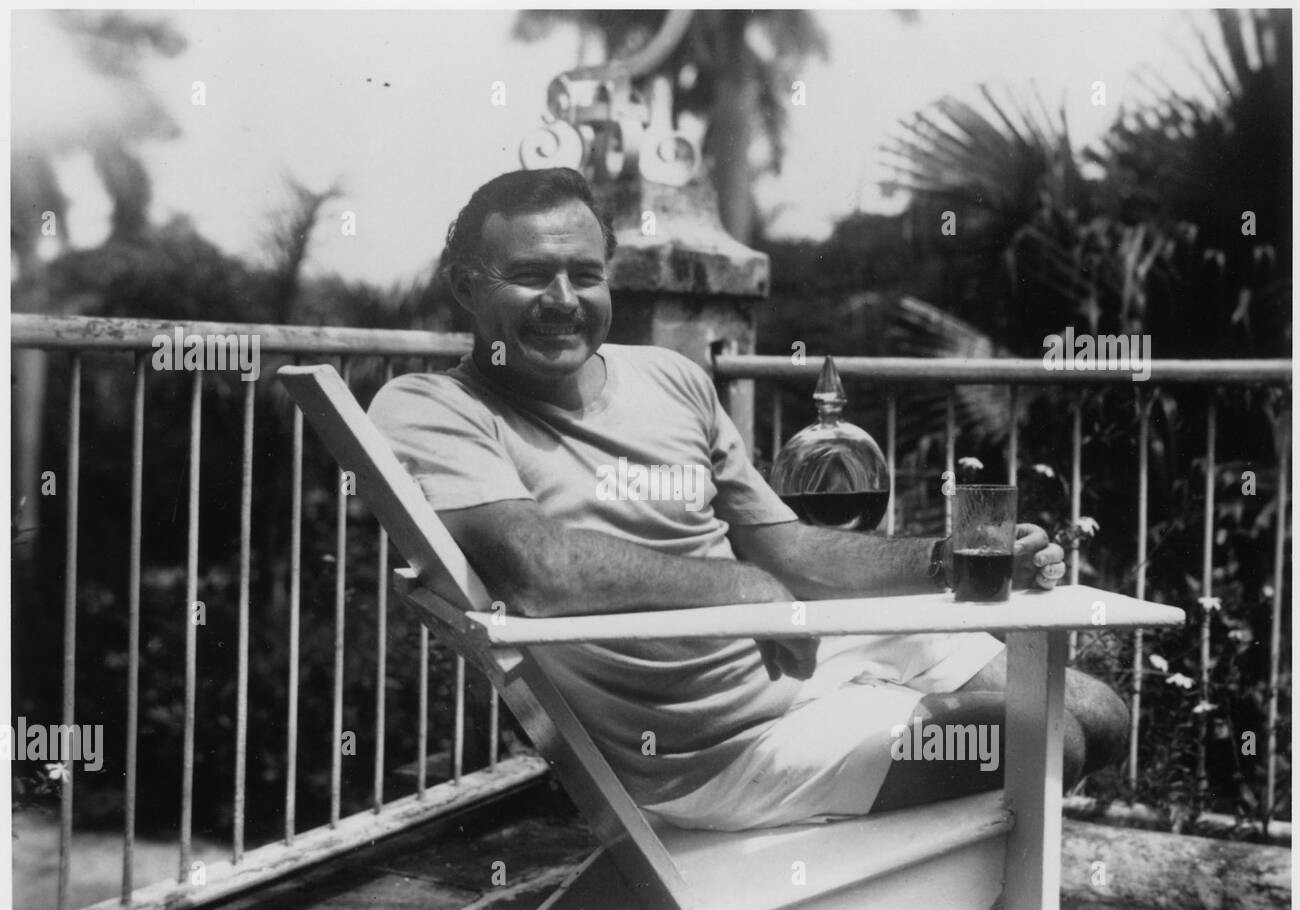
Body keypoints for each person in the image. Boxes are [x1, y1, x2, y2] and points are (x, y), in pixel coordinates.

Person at [369, 167, 1128, 831]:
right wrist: (746, 588)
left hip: (798, 652)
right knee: (1046, 738)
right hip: (709, 748)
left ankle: (908, 867)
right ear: (467, 286)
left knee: (1101, 712)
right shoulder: (429, 407)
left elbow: (791, 549)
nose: (563, 300)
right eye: (532, 274)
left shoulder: (671, 378)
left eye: (585, 273)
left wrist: (948, 559)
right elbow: (543, 572)